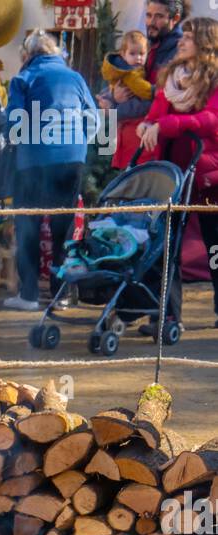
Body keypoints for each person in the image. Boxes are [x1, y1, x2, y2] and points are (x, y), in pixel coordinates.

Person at [3, 30, 97, 312]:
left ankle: (29, 295)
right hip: (71, 158)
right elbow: (92, 120)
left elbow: (14, 126)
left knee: (28, 224)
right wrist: (76, 144)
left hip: (33, 161)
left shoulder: (24, 78)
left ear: (28, 55)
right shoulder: (75, 77)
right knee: (64, 227)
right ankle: (62, 294)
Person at [137, 17, 218, 327]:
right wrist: (148, 123)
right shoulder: (171, 76)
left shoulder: (214, 78)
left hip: (208, 174)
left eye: (189, 36)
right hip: (172, 174)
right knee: (165, 244)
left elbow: (211, 120)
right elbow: (157, 112)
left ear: (206, 42)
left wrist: (167, 125)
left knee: (215, 246)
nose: (182, 41)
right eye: (182, 35)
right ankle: (166, 315)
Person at [110, 0, 186, 133]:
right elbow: (125, 76)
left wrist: (116, 108)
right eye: (149, 15)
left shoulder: (180, 52)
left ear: (175, 18)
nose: (151, 22)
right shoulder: (148, 45)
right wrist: (113, 94)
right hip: (129, 132)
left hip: (154, 136)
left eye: (159, 16)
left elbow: (163, 99)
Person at [99, 29, 150, 168]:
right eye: (133, 54)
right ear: (123, 54)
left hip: (126, 128)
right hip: (129, 127)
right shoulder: (131, 74)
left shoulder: (124, 70)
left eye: (141, 54)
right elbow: (146, 93)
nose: (138, 58)